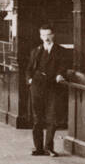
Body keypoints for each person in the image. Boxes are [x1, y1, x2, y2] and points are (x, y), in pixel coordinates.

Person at [26, 24, 70, 156]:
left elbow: (64, 66)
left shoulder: (61, 51)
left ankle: (48, 147)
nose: (46, 38)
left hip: (53, 87)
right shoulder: (36, 51)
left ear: (53, 35)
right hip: (37, 87)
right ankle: (38, 148)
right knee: (37, 118)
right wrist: (29, 79)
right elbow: (28, 69)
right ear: (40, 36)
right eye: (43, 35)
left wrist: (60, 74)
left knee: (52, 118)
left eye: (48, 35)